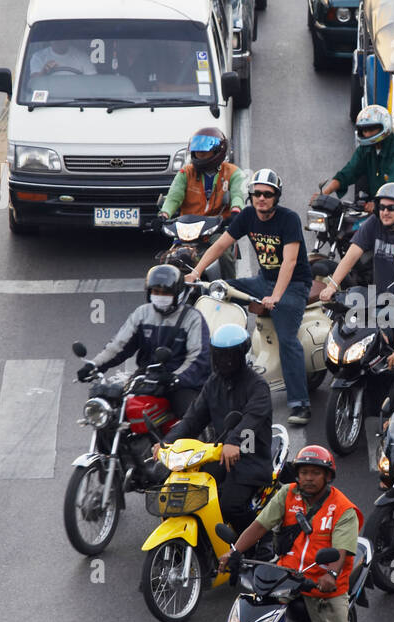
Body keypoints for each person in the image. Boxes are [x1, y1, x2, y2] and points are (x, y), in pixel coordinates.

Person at [219, 445, 369, 622]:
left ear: (328, 476)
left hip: (324, 587)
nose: (308, 478)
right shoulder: (287, 494)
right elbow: (260, 526)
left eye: (315, 473)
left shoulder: (343, 509)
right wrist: (234, 551)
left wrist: (330, 574)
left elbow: (340, 551)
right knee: (256, 620)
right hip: (286, 576)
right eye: (304, 472)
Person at [184, 169, 314, 426]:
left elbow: (289, 263)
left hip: (293, 286)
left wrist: (275, 297)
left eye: (267, 194)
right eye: (257, 194)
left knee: (287, 339)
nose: (261, 199)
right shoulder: (247, 216)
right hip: (262, 281)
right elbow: (221, 245)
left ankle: (300, 404)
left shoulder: (289, 220)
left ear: (276, 197)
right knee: (218, 290)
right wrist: (197, 272)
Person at [152, 324, 273, 537]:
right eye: (220, 355)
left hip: (250, 459)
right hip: (218, 456)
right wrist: (166, 444)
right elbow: (192, 420)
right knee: (189, 496)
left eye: (230, 356)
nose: (225, 361)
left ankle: (261, 544)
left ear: (241, 354)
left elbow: (251, 418)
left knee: (229, 506)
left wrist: (234, 441)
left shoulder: (258, 386)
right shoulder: (213, 383)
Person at [77, 264, 209, 418]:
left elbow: (199, 358)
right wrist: (94, 365)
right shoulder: (142, 314)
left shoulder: (192, 318)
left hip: (181, 384)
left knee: (190, 420)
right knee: (113, 414)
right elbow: (118, 346)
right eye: (155, 291)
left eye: (165, 293)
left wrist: (176, 378)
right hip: (146, 379)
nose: (159, 296)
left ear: (177, 294)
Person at [320, 181, 394, 305]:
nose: (385, 212)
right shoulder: (374, 222)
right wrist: (332, 286)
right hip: (382, 299)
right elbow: (352, 255)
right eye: (382, 207)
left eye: (391, 208)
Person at [158, 131, 245, 280]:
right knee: (170, 258)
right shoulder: (186, 172)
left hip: (216, 229)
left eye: (205, 151)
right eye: (197, 151)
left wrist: (236, 211)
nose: (200, 154)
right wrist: (164, 214)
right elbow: (174, 196)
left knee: (224, 253)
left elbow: (238, 195)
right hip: (187, 229)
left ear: (218, 152)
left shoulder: (233, 172)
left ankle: (229, 288)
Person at [314, 105, 394, 215]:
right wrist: (324, 193)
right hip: (381, 202)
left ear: (384, 126)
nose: (367, 133)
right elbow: (349, 172)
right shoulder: (365, 148)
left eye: (371, 129)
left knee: (385, 231)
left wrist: (377, 204)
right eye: (364, 130)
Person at [29, 39, 97, 80]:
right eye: (55, 38)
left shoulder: (81, 56)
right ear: (50, 40)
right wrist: (43, 72)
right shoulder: (39, 56)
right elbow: (34, 81)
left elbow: (92, 81)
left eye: (61, 39)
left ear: (68, 40)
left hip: (77, 99)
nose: (59, 42)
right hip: (48, 100)